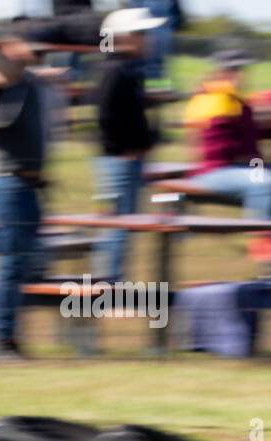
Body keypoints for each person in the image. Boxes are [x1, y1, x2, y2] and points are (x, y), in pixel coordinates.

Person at [0, 34, 48, 360]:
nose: (35, 48)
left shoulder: (27, 79)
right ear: (1, 51)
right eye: (23, 42)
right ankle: (0, 341)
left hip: (27, 186)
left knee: (18, 266)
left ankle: (6, 338)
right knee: (5, 266)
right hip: (5, 185)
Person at [93, 7, 165, 283]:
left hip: (126, 161)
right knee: (116, 226)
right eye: (141, 33)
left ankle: (114, 281)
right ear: (122, 37)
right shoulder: (114, 70)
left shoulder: (128, 70)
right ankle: (107, 285)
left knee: (122, 225)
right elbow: (104, 115)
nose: (147, 39)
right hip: (119, 162)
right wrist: (123, 151)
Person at [183, 49, 271, 221]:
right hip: (215, 170)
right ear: (221, 72)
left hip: (243, 166)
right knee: (266, 182)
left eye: (241, 70)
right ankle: (261, 236)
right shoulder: (213, 99)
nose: (240, 75)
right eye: (234, 70)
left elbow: (250, 138)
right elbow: (217, 148)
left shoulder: (235, 100)